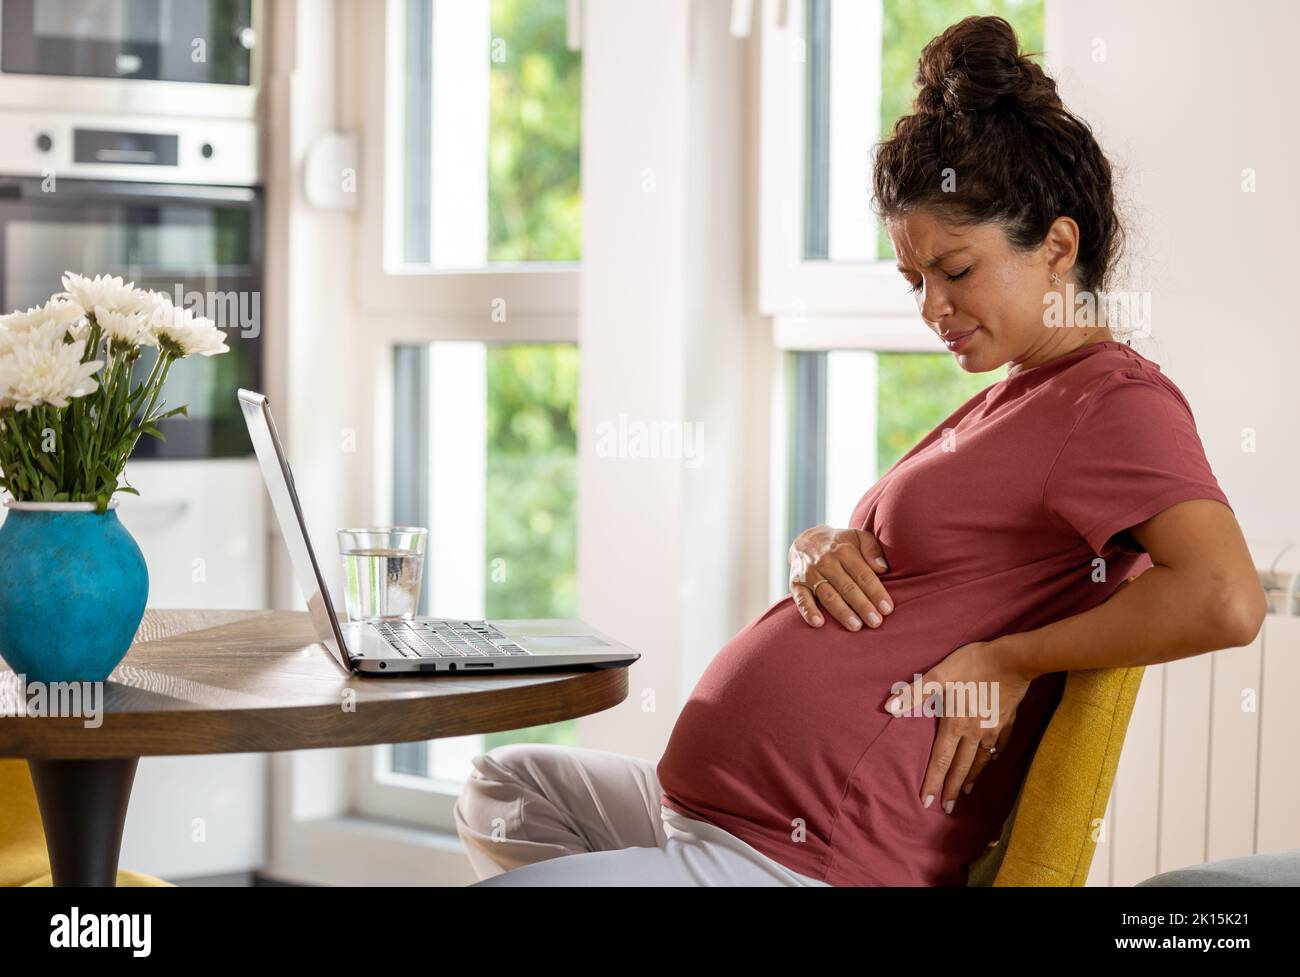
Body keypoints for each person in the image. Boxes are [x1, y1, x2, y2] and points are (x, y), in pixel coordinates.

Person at [454, 15, 1266, 886]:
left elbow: (1225, 598)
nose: (932, 309)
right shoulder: (1015, 398)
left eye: (955, 271)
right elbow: (915, 577)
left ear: (1058, 247)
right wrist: (818, 547)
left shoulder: (1113, 402)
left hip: (810, 857)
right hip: (716, 810)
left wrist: (1012, 658)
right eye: (914, 281)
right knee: (503, 784)